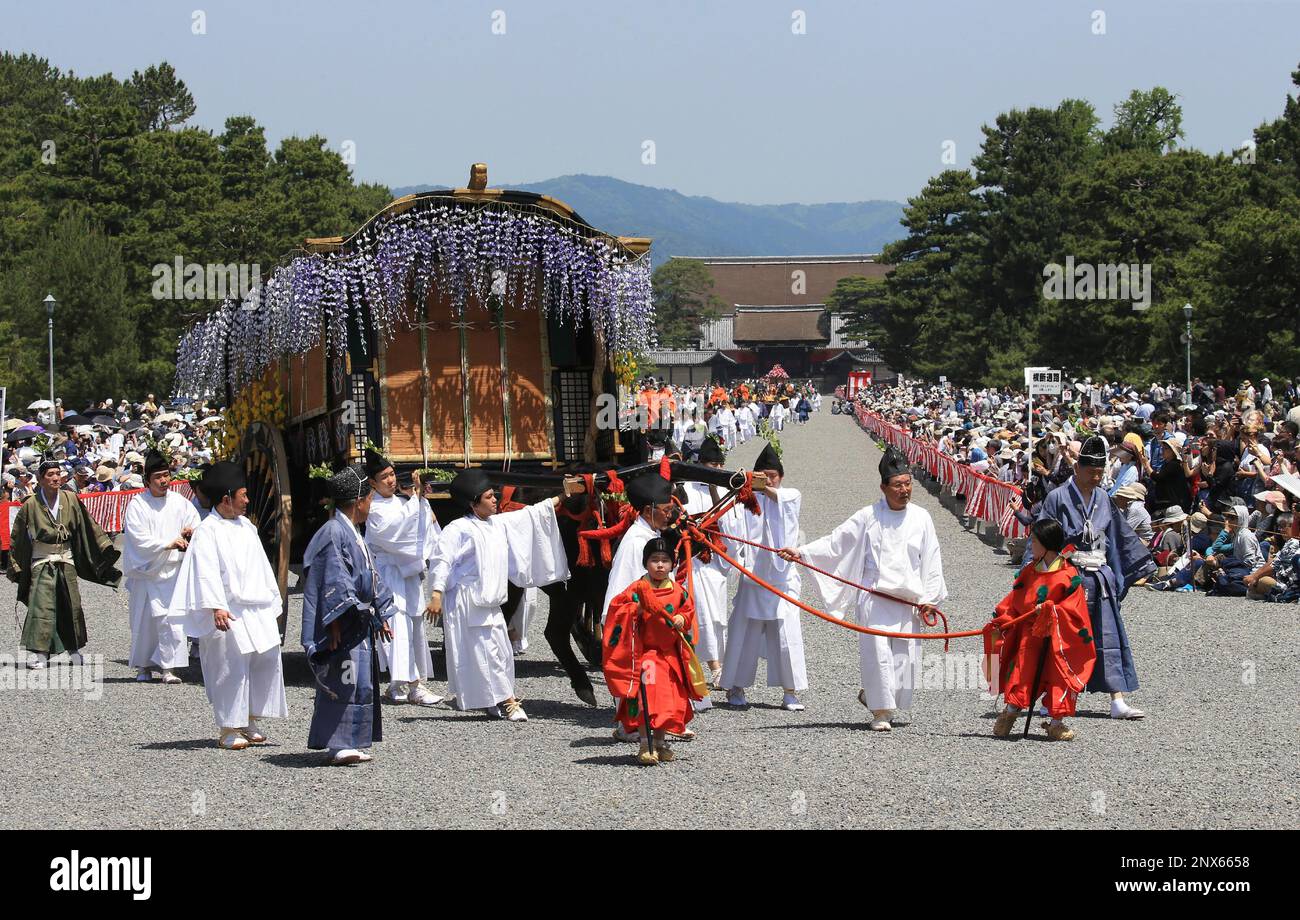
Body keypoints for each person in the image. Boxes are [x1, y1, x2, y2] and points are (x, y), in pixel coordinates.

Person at [786, 446, 947, 731]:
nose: (905, 490)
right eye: (898, 485)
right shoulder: (868, 516)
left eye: (908, 484)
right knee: (879, 655)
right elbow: (837, 542)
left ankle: (874, 696)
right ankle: (881, 711)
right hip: (876, 597)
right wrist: (801, 552)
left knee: (905, 660)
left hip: (910, 600)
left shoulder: (922, 517)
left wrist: (929, 598)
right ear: (884, 487)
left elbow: (932, 559)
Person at [427, 469, 577, 722]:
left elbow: (530, 515)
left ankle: (493, 700)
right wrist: (436, 594)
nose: (495, 499)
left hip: (491, 602)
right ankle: (507, 701)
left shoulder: (497, 524)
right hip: (468, 600)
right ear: (474, 503)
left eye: (493, 495)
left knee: (501, 653)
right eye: (488, 496)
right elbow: (441, 560)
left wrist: (562, 495)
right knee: (487, 654)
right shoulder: (458, 529)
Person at [170, 461, 289, 750]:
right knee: (231, 665)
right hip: (228, 609)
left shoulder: (247, 526)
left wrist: (272, 599)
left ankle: (249, 718)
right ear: (226, 499)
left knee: (265, 659)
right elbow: (205, 570)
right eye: (243, 495)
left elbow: (262, 565)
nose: (247, 501)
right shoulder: (207, 530)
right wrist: (215, 606)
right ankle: (228, 726)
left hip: (256, 605)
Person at [1033, 436, 1154, 720]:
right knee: (1063, 639)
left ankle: (1117, 700)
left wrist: (1123, 572)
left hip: (1099, 577)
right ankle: (1055, 697)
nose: (1097, 477)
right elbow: (1041, 539)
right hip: (1068, 577)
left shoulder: (1103, 498)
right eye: (1092, 472)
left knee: (1108, 635)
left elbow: (1117, 537)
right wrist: (1036, 578)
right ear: (1078, 469)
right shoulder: (1057, 497)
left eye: (1101, 472)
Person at [301, 466, 395, 765]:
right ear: (358, 501)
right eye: (370, 499)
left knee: (361, 680)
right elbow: (332, 579)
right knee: (345, 678)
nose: (371, 505)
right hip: (344, 620)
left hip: (358, 616)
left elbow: (370, 574)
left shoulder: (351, 531)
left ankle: (353, 739)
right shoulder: (333, 532)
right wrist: (335, 619)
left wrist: (379, 614)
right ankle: (337, 743)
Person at [985, 519, 1095, 741]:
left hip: (1058, 636)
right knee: (1022, 671)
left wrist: (1051, 610)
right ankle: (1009, 714)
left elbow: (1075, 609)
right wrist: (1002, 616)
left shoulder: (1068, 575)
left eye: (1033, 540)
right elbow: (1015, 599)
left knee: (1059, 676)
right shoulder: (1029, 571)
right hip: (1029, 633)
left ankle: (1056, 723)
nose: (1030, 544)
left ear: (1045, 544)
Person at [6, 458, 121, 669]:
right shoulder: (30, 504)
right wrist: (16, 565)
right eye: (49, 475)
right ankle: (41, 653)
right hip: (41, 559)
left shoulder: (71, 499)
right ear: (40, 480)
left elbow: (88, 526)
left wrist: (103, 547)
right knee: (42, 606)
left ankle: (74, 649)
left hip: (65, 558)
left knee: (71, 604)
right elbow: (18, 538)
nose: (55, 478)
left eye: (57, 473)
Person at [719, 442, 807, 712]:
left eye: (773, 475)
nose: (769, 479)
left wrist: (756, 484)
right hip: (753, 576)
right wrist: (739, 488)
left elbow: (781, 500)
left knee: (787, 634)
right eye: (763, 475)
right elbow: (727, 524)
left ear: (781, 477)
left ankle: (790, 693)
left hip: (782, 579)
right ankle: (736, 686)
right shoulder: (745, 501)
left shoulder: (790, 496)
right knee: (744, 633)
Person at [602, 537, 702, 765]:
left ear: (672, 564)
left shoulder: (678, 591)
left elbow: (689, 611)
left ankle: (660, 742)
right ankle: (645, 744)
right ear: (645, 563)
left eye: (665, 561)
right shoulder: (637, 589)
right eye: (654, 560)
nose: (659, 565)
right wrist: (636, 609)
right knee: (648, 700)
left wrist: (681, 618)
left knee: (668, 702)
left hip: (669, 656)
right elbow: (618, 608)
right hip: (646, 657)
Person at [363, 450, 442, 707]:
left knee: (414, 625)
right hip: (389, 576)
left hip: (407, 574)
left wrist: (421, 502)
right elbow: (394, 534)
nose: (390, 480)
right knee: (397, 625)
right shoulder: (373, 508)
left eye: (392, 474)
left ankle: (408, 683)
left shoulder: (400, 501)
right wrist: (417, 500)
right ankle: (411, 685)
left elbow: (419, 528)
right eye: (384, 477)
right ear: (373, 483)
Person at [676, 436, 747, 704]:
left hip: (716, 563)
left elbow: (734, 531)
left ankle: (720, 667)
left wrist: (718, 490)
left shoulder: (727, 492)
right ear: (700, 465)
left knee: (718, 617)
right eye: (710, 465)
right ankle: (714, 666)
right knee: (701, 614)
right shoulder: (688, 490)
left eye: (719, 464)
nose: (716, 469)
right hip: (693, 561)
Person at [121, 450, 200, 683]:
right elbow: (137, 538)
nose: (164, 481)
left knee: (170, 619)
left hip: (173, 570)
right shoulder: (138, 504)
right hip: (148, 572)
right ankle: (143, 667)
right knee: (145, 620)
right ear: (147, 481)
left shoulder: (179, 502)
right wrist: (167, 543)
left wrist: (190, 533)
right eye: (158, 477)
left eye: (166, 475)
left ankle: (169, 668)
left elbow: (194, 524)